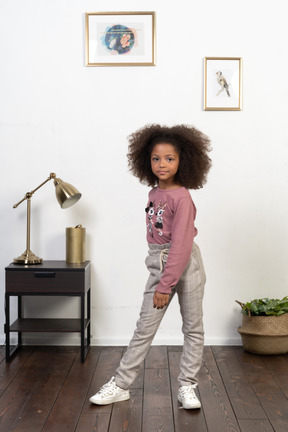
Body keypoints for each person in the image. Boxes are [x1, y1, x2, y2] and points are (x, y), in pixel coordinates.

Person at [89, 124, 212, 409]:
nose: (162, 164)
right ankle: (121, 385)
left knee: (193, 326)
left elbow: (180, 245)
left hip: (185, 263)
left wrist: (165, 284)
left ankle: (187, 386)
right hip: (159, 261)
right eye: (156, 158)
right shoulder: (154, 193)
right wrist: (160, 274)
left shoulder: (182, 197)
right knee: (145, 327)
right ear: (147, 160)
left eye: (170, 158)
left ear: (183, 161)